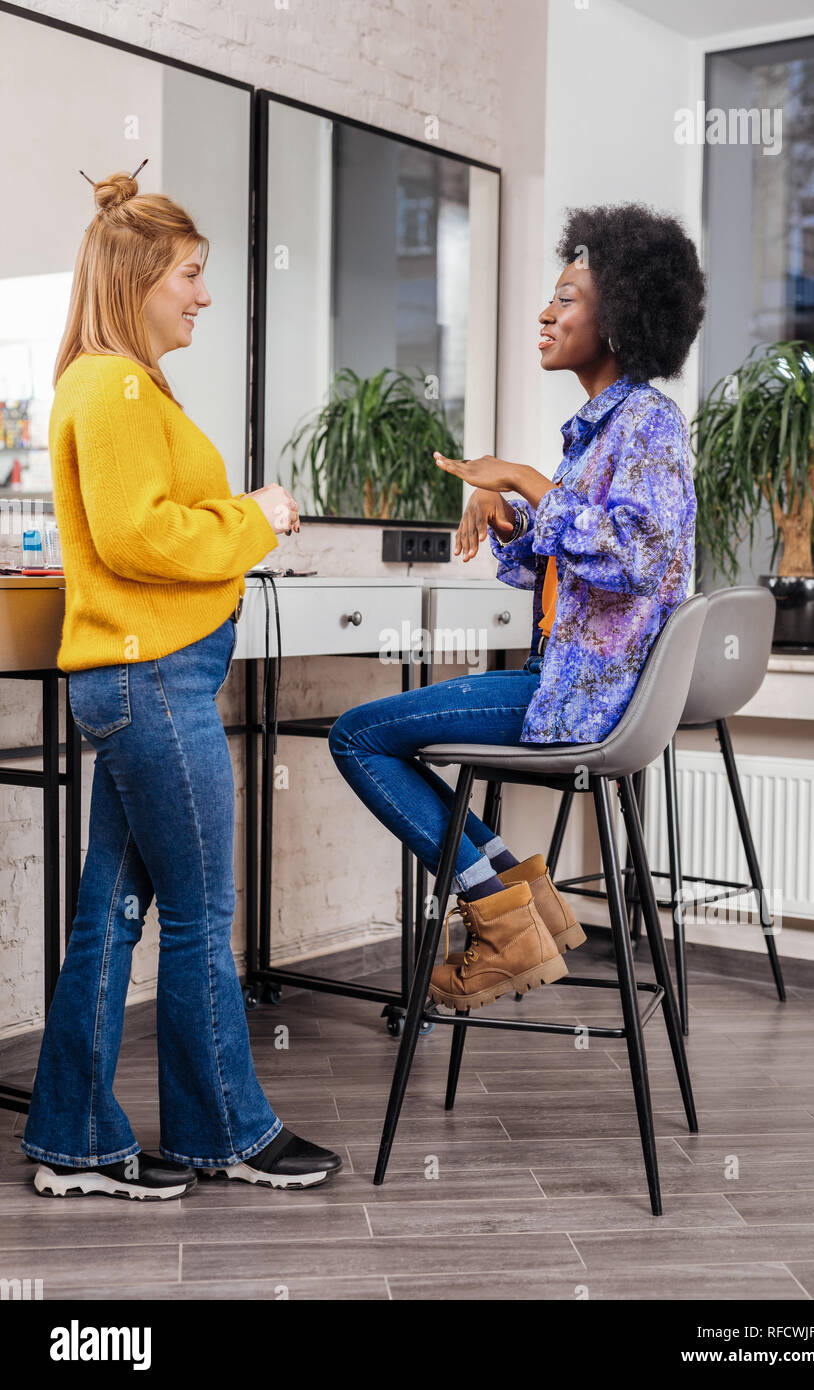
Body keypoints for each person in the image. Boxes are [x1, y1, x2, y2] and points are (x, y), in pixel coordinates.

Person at [21, 165, 343, 1199]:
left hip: (139, 676)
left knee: (107, 916)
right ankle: (228, 1133)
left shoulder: (110, 381)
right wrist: (258, 515)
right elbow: (138, 534)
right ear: (140, 276)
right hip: (153, 679)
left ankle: (74, 1139)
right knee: (204, 913)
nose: (204, 295)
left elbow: (134, 530)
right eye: (192, 275)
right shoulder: (113, 384)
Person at [329, 201, 706, 1013]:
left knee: (357, 737)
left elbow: (637, 558)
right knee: (373, 734)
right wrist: (514, 519)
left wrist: (526, 480)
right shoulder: (601, 433)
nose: (545, 311)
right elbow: (563, 568)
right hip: (566, 679)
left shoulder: (648, 423)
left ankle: (504, 922)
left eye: (566, 297)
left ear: (621, 317)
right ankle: (523, 903)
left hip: (585, 698)